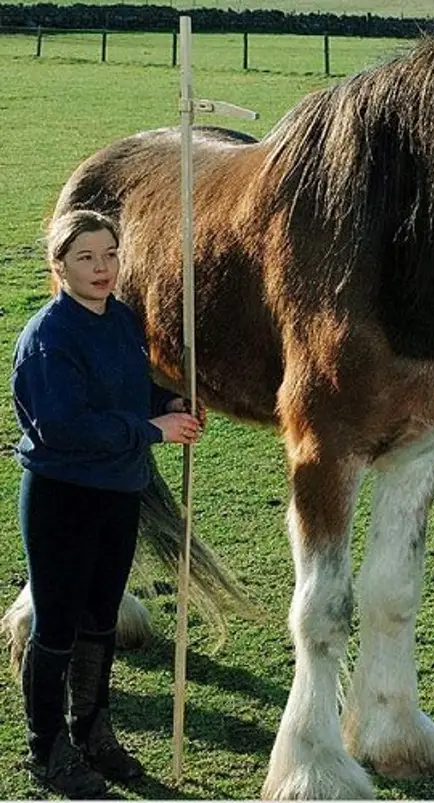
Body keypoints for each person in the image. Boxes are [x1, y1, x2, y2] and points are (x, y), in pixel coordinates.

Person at [11, 209, 202, 799]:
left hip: (119, 492)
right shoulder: (48, 338)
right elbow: (64, 427)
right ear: (59, 265)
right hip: (63, 495)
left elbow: (127, 389)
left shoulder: (121, 320)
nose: (102, 268)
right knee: (58, 623)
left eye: (110, 254)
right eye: (86, 257)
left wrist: (167, 399)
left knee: (101, 619)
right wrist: (152, 430)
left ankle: (92, 731)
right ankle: (47, 752)